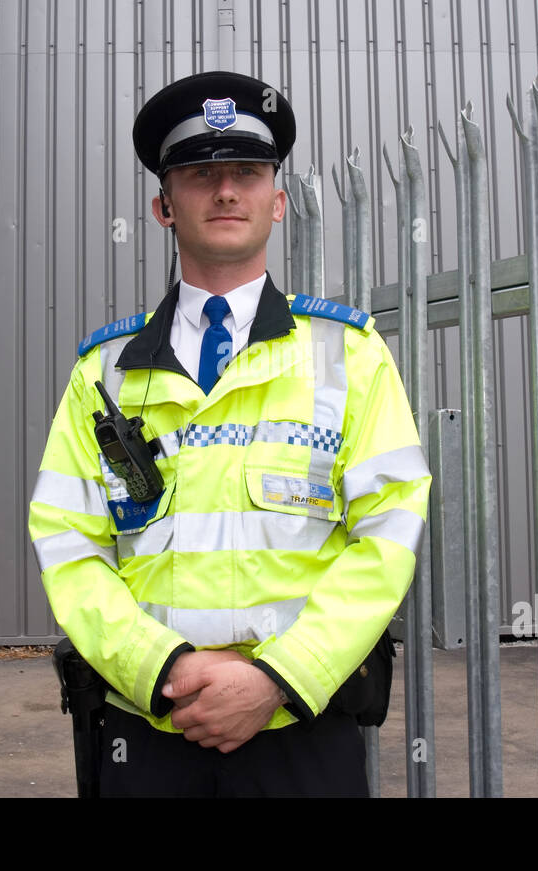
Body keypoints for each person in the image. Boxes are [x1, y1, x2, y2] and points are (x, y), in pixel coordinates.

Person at [27, 70, 431, 796]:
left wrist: (279, 676)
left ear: (277, 202)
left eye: (246, 172)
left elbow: (389, 530)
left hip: (299, 731)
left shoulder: (348, 351)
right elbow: (68, 541)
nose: (224, 191)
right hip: (148, 730)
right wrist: (165, 669)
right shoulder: (106, 371)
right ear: (163, 206)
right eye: (200, 173)